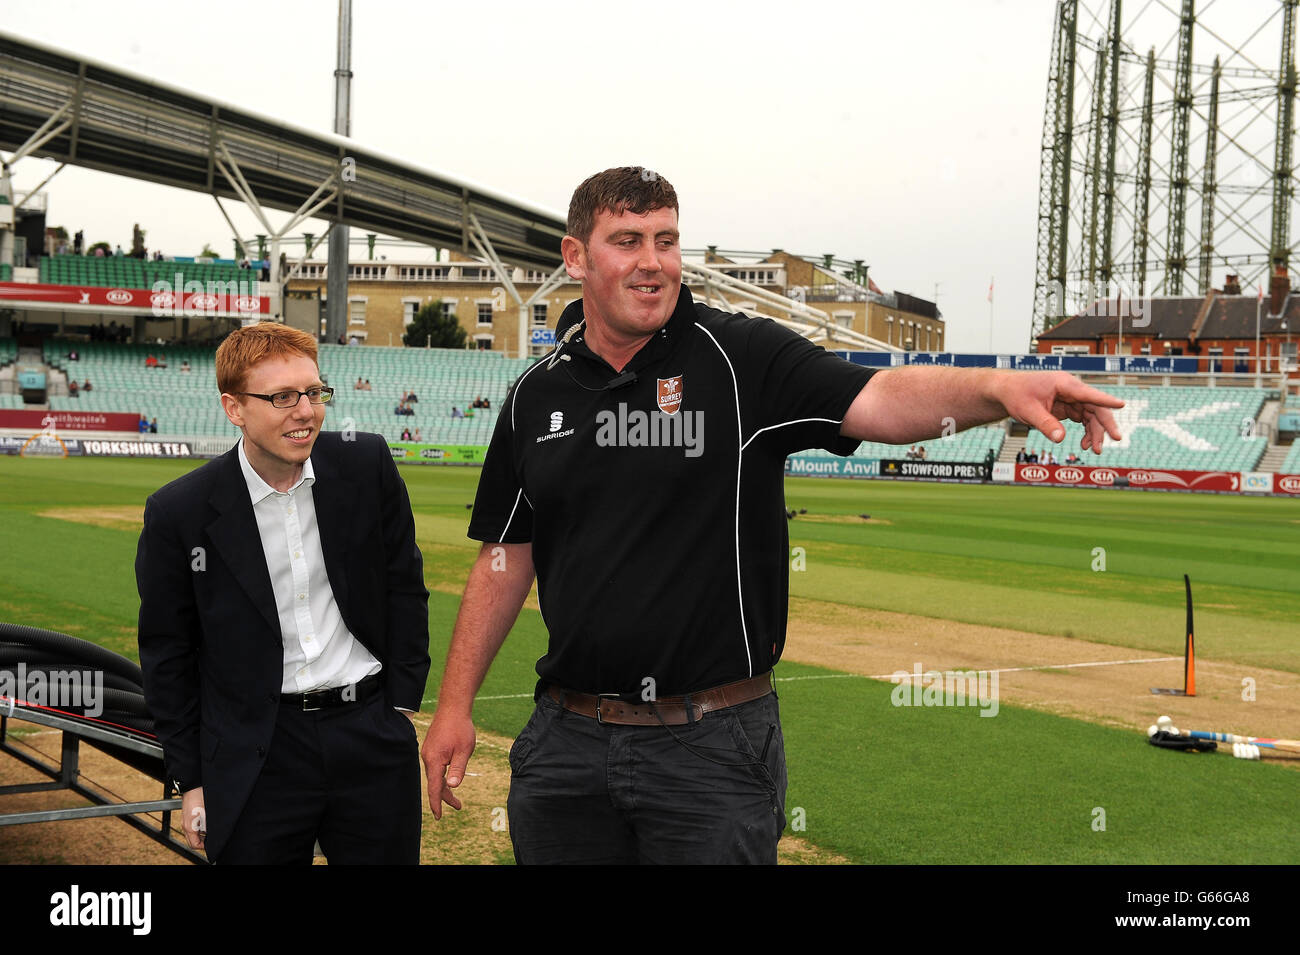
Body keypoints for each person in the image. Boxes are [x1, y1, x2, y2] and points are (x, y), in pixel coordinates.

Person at [420, 167, 1123, 864]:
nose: (653, 262)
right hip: (567, 743)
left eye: (667, 240)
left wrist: (997, 385)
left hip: (710, 749)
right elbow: (505, 557)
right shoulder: (534, 396)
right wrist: (454, 706)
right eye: (627, 240)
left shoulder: (742, 359)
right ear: (576, 256)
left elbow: (879, 397)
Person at [135, 322, 430, 864]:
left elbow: (404, 585)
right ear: (234, 407)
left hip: (369, 733)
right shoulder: (180, 512)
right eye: (282, 397)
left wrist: (402, 703)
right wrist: (192, 779)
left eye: (315, 393)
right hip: (257, 751)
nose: (306, 411)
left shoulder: (365, 464)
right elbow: (167, 652)